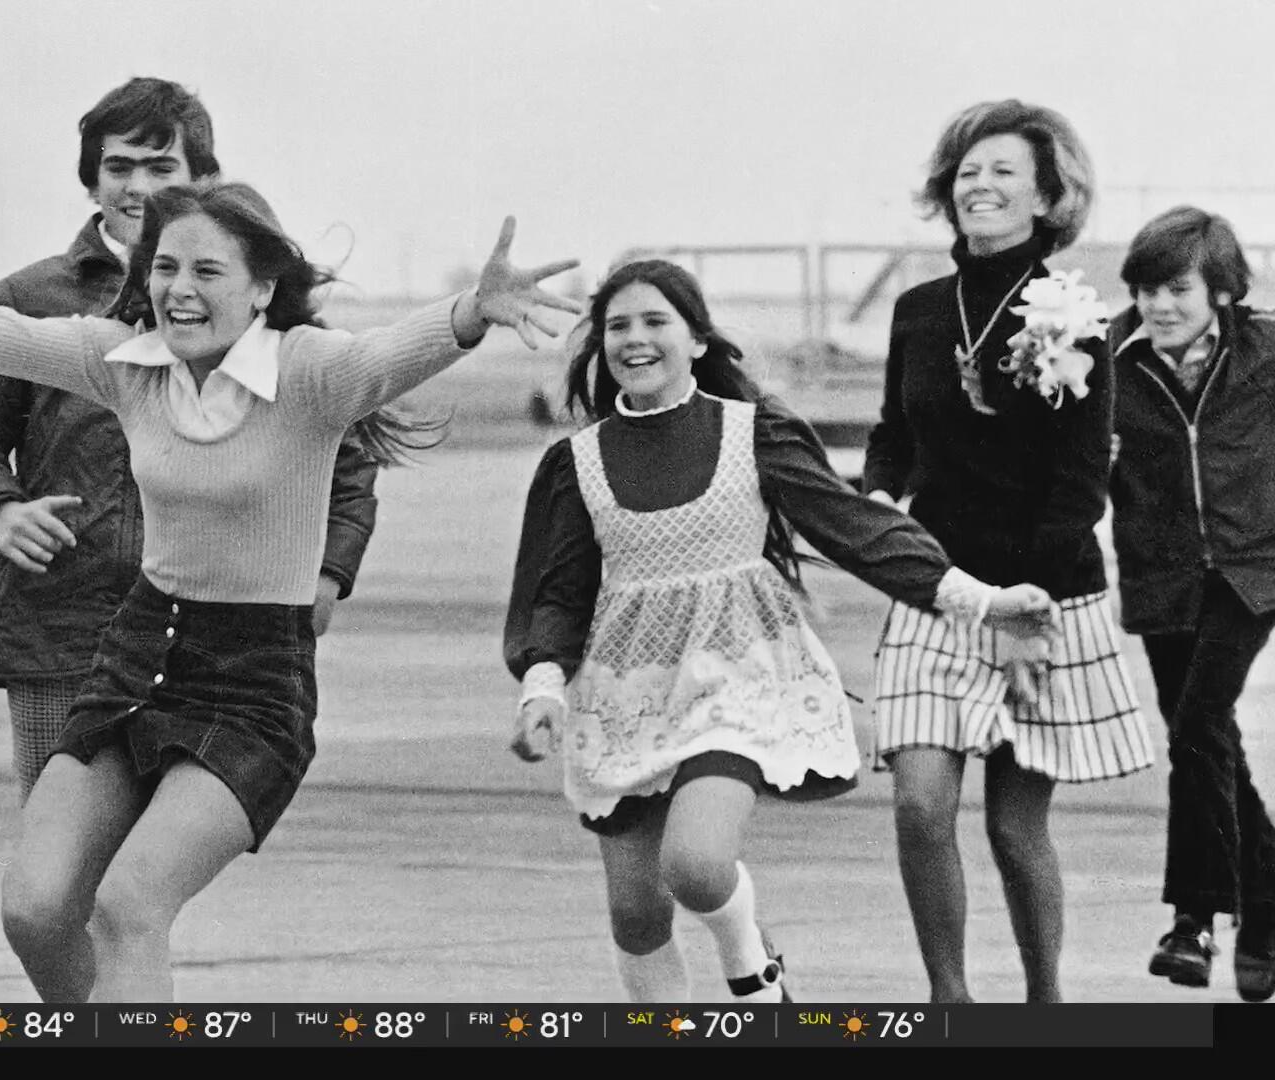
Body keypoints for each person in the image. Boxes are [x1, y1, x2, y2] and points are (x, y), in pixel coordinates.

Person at [0, 175, 578, 1001]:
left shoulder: (312, 373)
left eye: (207, 270)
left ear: (263, 289)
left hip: (253, 688)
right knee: (36, 907)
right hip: (137, 661)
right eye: (164, 267)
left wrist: (473, 311)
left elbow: (397, 353)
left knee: (128, 908)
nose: (179, 290)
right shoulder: (125, 363)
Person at [506, 258, 1056, 1002]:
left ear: (698, 340)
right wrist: (542, 688)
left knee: (697, 865)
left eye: (655, 321)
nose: (635, 339)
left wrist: (982, 602)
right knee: (636, 916)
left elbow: (858, 528)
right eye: (617, 327)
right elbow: (557, 594)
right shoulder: (577, 463)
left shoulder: (752, 433)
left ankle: (753, 971)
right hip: (626, 696)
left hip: (741, 680)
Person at [0, 77, 383, 804]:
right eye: (118, 167)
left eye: (161, 168)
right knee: (57, 872)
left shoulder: (251, 304)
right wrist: (1, 508)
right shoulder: (33, 299)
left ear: (202, 181)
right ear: (91, 179)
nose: (137, 187)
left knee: (150, 869)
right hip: (62, 627)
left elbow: (347, 466)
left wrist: (326, 576)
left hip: (212, 640)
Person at [861, 99, 1152, 1001]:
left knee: (1016, 833)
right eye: (967, 172)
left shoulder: (1077, 315)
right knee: (918, 806)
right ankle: (951, 1001)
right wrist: (874, 497)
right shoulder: (916, 310)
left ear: (1047, 197)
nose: (979, 186)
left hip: (1045, 593)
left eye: (1003, 173)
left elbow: (1080, 484)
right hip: (938, 590)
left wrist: (1025, 606)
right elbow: (892, 434)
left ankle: (1044, 1004)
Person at [1107, 206, 1275, 1002]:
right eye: (1145, 290)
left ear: (1219, 289)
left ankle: (1193, 920)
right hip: (1160, 572)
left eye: (1176, 288)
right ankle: (1268, 909)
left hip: (1254, 570)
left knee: (1200, 722)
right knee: (1204, 741)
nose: (1158, 306)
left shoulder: (1268, 354)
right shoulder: (1100, 359)